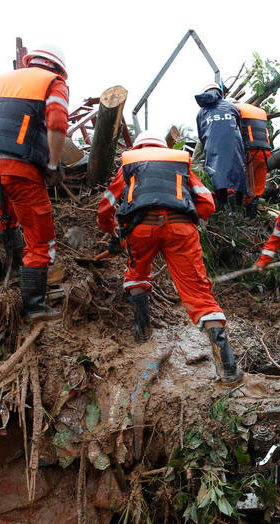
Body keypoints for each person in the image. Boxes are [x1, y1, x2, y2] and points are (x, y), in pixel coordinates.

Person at [96, 131, 241, 382]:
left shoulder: (129, 161)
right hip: (180, 229)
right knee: (199, 295)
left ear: (138, 146)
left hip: (140, 228)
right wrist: (189, 217)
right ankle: (228, 371)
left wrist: (110, 229)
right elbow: (207, 202)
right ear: (164, 146)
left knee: (137, 275)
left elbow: (106, 204)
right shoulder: (180, 161)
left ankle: (143, 335)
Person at [0, 43, 70, 321]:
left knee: (6, 214)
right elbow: (57, 123)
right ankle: (34, 306)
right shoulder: (53, 82)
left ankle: (15, 270)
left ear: (31, 61)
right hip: (18, 165)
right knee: (39, 237)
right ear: (58, 67)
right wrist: (52, 164)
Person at [194, 83, 247, 213]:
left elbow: (201, 135)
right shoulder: (231, 107)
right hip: (235, 147)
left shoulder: (201, 113)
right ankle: (239, 209)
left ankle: (221, 208)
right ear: (220, 93)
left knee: (217, 176)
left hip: (212, 149)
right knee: (239, 174)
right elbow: (239, 127)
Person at [233, 100, 272, 219]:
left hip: (250, 151)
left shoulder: (233, 109)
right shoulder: (258, 111)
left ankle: (238, 215)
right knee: (257, 186)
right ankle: (251, 217)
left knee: (241, 182)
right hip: (265, 151)